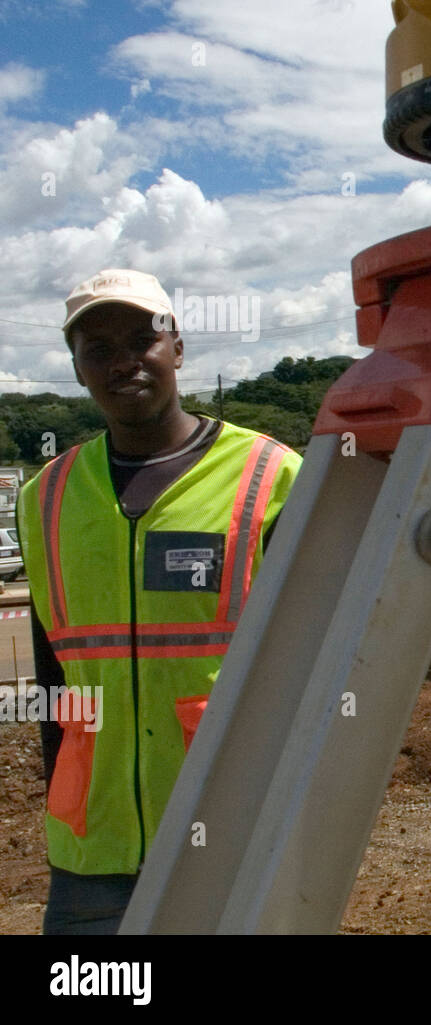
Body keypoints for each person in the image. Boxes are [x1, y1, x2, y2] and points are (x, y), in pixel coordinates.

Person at [16, 269, 301, 934]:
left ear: (178, 347)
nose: (124, 360)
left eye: (144, 338)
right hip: (93, 845)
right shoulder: (47, 498)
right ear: (78, 368)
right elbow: (54, 673)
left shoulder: (271, 476)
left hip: (228, 820)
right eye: (98, 348)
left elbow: (309, 660)